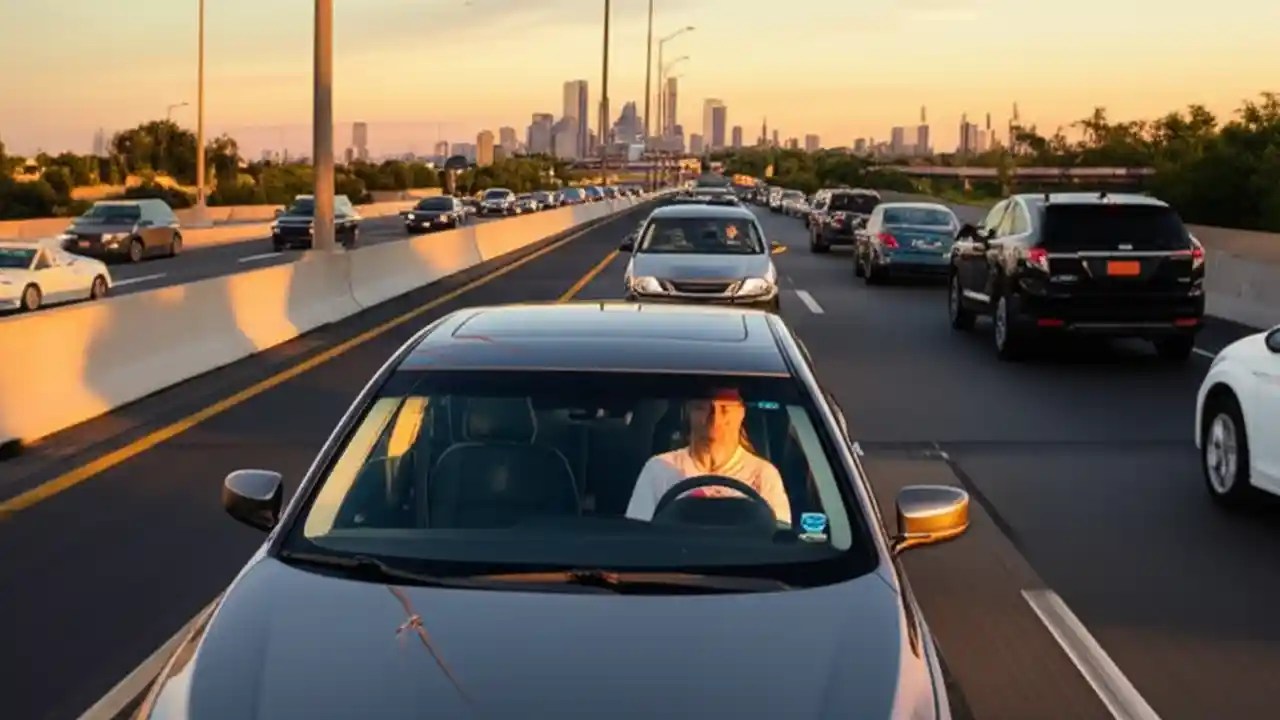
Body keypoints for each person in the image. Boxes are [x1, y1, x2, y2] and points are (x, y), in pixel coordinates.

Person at [625, 389, 792, 525]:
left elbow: (779, 540)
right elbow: (638, 537)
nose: (715, 419)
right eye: (702, 408)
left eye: (725, 409)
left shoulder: (763, 474)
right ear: (688, 413)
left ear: (741, 413)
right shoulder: (658, 469)